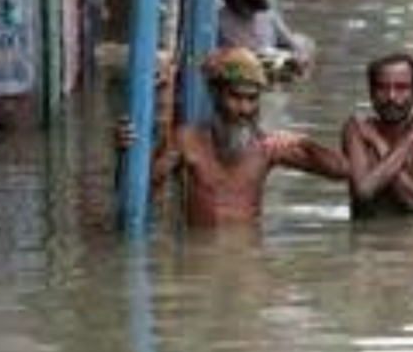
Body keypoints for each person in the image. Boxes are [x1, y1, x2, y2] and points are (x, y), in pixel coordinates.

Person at [116, 48, 347, 227]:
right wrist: (125, 151)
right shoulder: (186, 142)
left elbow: (342, 172)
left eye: (252, 98)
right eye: (235, 97)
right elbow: (137, 195)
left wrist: (305, 142)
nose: (244, 109)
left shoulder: (268, 146)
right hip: (200, 263)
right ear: (216, 94)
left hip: (249, 263)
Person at [342, 54, 413, 220]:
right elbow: (363, 192)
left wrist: (378, 141)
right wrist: (410, 140)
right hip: (366, 233)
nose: (391, 97)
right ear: (371, 93)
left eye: (401, 88)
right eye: (382, 87)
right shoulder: (356, 127)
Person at [218, 0, 315, 79]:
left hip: (268, 76)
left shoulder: (267, 16)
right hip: (240, 80)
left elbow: (297, 49)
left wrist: (297, 58)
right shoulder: (219, 22)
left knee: (305, 41)